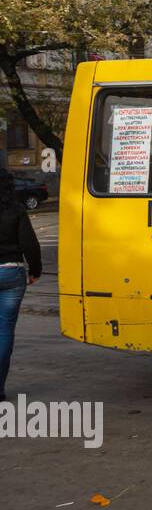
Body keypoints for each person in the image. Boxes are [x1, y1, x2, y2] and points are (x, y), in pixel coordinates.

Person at [0, 169, 42, 402]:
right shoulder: (16, 210)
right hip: (11, 272)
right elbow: (30, 245)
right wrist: (35, 270)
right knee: (4, 331)